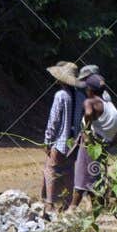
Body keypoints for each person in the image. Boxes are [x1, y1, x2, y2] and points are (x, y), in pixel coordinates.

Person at [41, 61, 83, 211]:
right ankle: (66, 204)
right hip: (73, 142)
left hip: (60, 141)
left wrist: (47, 141)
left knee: (51, 170)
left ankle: (49, 203)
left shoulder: (60, 95)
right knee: (69, 172)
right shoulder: (80, 96)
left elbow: (54, 120)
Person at [78, 71, 117, 202]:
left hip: (94, 140)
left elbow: (88, 112)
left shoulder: (90, 101)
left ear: (90, 90)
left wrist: (86, 128)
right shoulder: (108, 103)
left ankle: (74, 205)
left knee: (83, 170)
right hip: (106, 140)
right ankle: (100, 200)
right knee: (96, 170)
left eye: (86, 88)